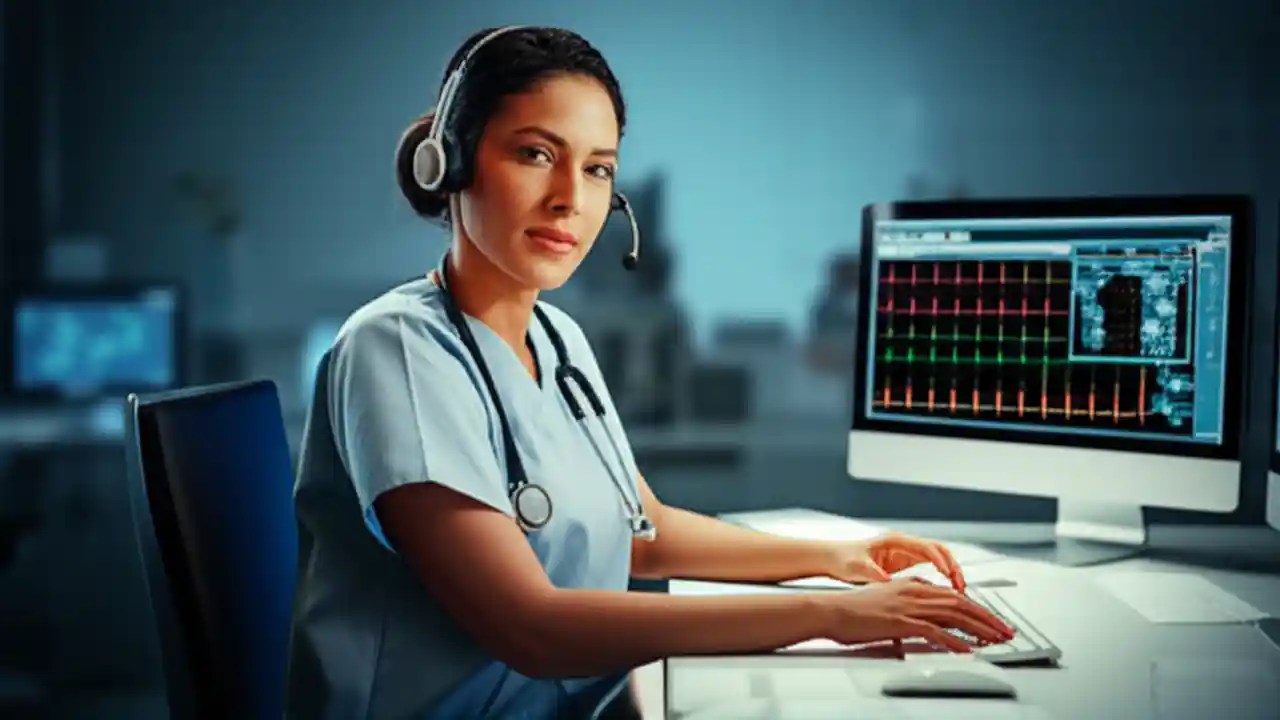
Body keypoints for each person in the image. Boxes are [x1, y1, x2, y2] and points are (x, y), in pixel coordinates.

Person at [285, 25, 1016, 719]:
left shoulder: (557, 337)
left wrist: (837, 558)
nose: (572, 196)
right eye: (536, 154)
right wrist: (830, 615)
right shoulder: (395, 349)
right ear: (449, 160)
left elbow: (643, 534)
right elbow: (530, 627)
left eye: (598, 168)